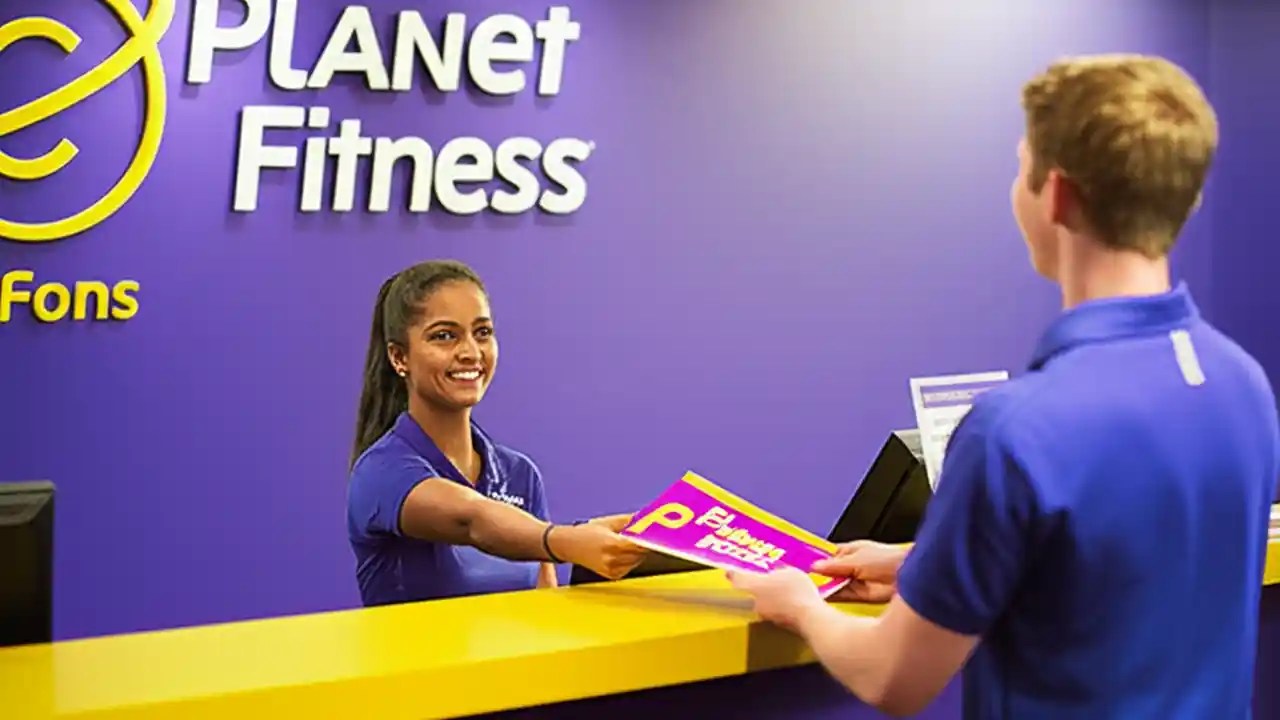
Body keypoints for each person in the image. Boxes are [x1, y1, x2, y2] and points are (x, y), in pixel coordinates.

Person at [729, 54, 1280, 718]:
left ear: (1057, 196)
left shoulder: (1015, 431)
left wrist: (801, 607)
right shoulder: (1242, 386)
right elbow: (1127, 564)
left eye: (1021, 170)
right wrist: (926, 566)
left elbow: (893, 678)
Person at [346, 259, 646, 606]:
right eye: (444, 336)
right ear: (399, 357)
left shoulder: (520, 474)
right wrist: (565, 540)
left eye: (482, 333)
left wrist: (625, 540)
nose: (470, 352)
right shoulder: (380, 471)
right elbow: (471, 520)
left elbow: (545, 606)